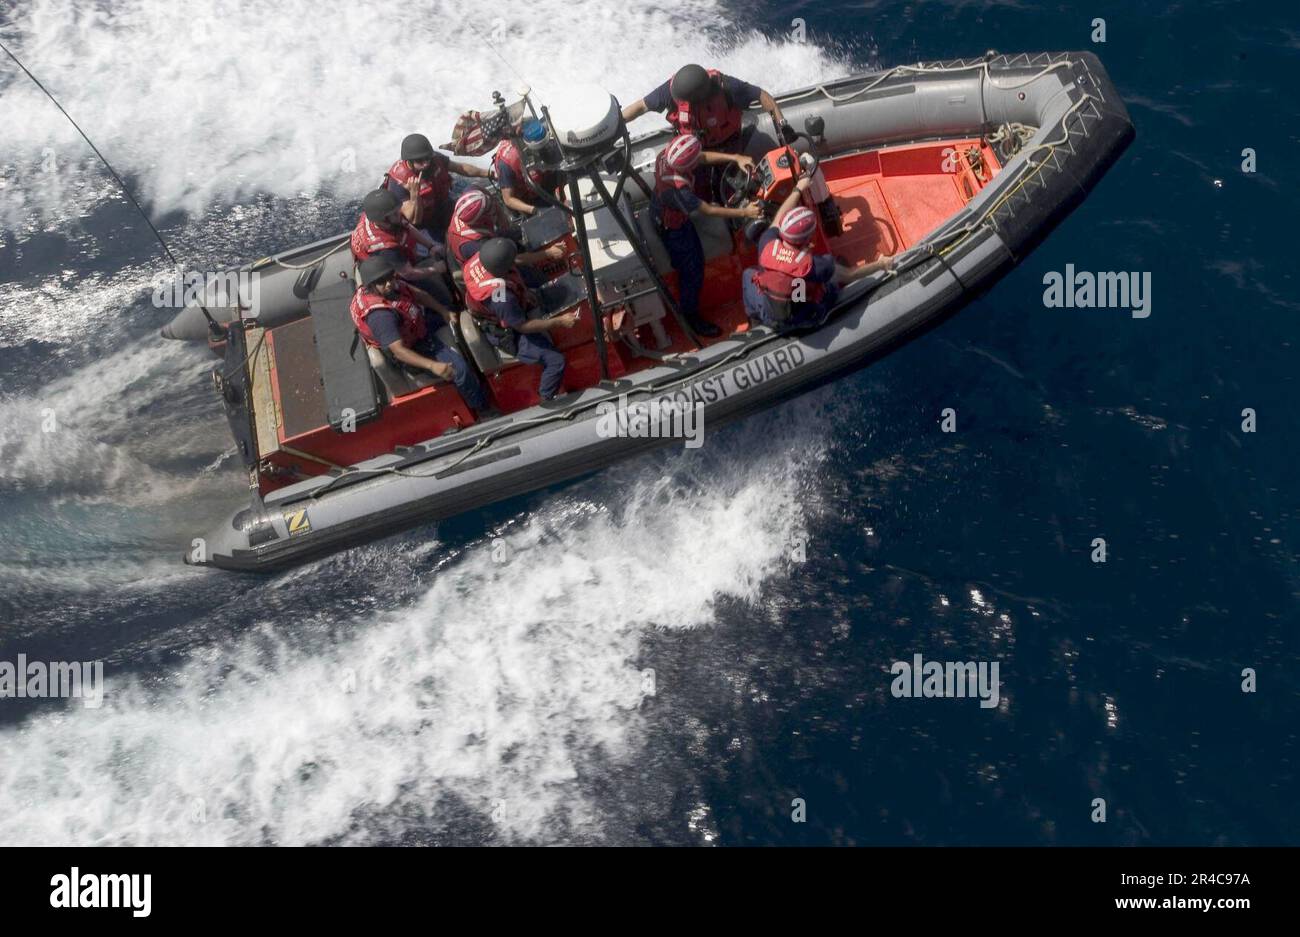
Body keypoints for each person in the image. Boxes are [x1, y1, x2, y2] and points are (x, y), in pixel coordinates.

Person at [743, 178, 894, 330]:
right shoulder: (815, 265)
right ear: (808, 238)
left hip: (769, 311)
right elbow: (850, 275)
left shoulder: (766, 242)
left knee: (748, 274)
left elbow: (778, 218)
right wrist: (881, 264)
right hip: (798, 317)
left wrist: (798, 189)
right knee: (833, 279)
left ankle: (755, 321)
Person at [652, 133, 762, 339]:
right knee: (692, 270)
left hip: (661, 208)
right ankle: (690, 316)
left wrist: (735, 157)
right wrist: (746, 213)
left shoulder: (665, 156)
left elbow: (700, 157)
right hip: (674, 228)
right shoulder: (678, 190)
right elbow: (708, 211)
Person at [622, 64, 793, 191]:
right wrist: (617, 123)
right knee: (700, 192)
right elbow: (640, 107)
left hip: (729, 147)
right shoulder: (674, 89)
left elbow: (761, 95)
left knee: (736, 190)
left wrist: (782, 124)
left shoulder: (728, 87)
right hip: (694, 153)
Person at [350, 256, 488, 412]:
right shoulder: (381, 316)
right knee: (460, 370)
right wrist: (433, 365)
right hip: (413, 348)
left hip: (413, 324)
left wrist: (444, 312)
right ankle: (481, 408)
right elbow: (399, 352)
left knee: (461, 312)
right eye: (382, 282)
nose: (389, 283)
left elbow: (419, 295)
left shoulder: (390, 288)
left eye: (390, 277)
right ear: (371, 285)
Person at [463, 238, 579, 401]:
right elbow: (522, 326)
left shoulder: (484, 258)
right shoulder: (501, 297)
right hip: (508, 334)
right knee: (556, 361)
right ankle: (546, 397)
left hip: (511, 308)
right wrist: (560, 321)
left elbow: (516, 259)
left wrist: (546, 254)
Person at [382, 132, 491, 243]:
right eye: (420, 161)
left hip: (442, 206)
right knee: (440, 247)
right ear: (408, 160)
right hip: (424, 225)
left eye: (427, 158)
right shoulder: (398, 182)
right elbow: (414, 220)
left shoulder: (434, 159)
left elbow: (461, 168)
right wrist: (415, 195)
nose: (426, 164)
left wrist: (488, 173)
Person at [446, 187, 564, 278]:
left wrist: (504, 224)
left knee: (521, 230)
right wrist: (548, 253)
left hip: (489, 237)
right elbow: (514, 260)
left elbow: (491, 200)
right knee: (533, 276)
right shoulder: (475, 245)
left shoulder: (472, 197)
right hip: (483, 263)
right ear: (483, 220)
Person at [350, 188, 448, 296]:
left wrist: (430, 246)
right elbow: (408, 274)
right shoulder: (385, 248)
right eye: (396, 213)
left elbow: (406, 226)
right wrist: (436, 269)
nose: (400, 213)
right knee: (440, 294)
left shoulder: (380, 217)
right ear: (384, 219)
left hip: (398, 254)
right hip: (386, 272)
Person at [492, 118, 565, 218]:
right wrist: (534, 210)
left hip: (546, 179)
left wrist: (561, 193)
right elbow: (508, 199)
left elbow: (559, 167)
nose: (541, 151)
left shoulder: (542, 131)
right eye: (538, 149)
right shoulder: (506, 163)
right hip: (530, 198)